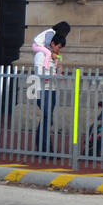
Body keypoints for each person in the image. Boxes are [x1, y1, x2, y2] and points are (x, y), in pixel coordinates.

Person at [31, 21, 69, 153]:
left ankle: (41, 143)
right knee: (48, 117)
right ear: (52, 44)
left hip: (51, 89)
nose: (59, 50)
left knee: (48, 117)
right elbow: (39, 73)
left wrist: (60, 68)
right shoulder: (41, 54)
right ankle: (45, 146)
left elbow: (56, 72)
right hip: (42, 89)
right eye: (58, 47)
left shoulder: (54, 56)